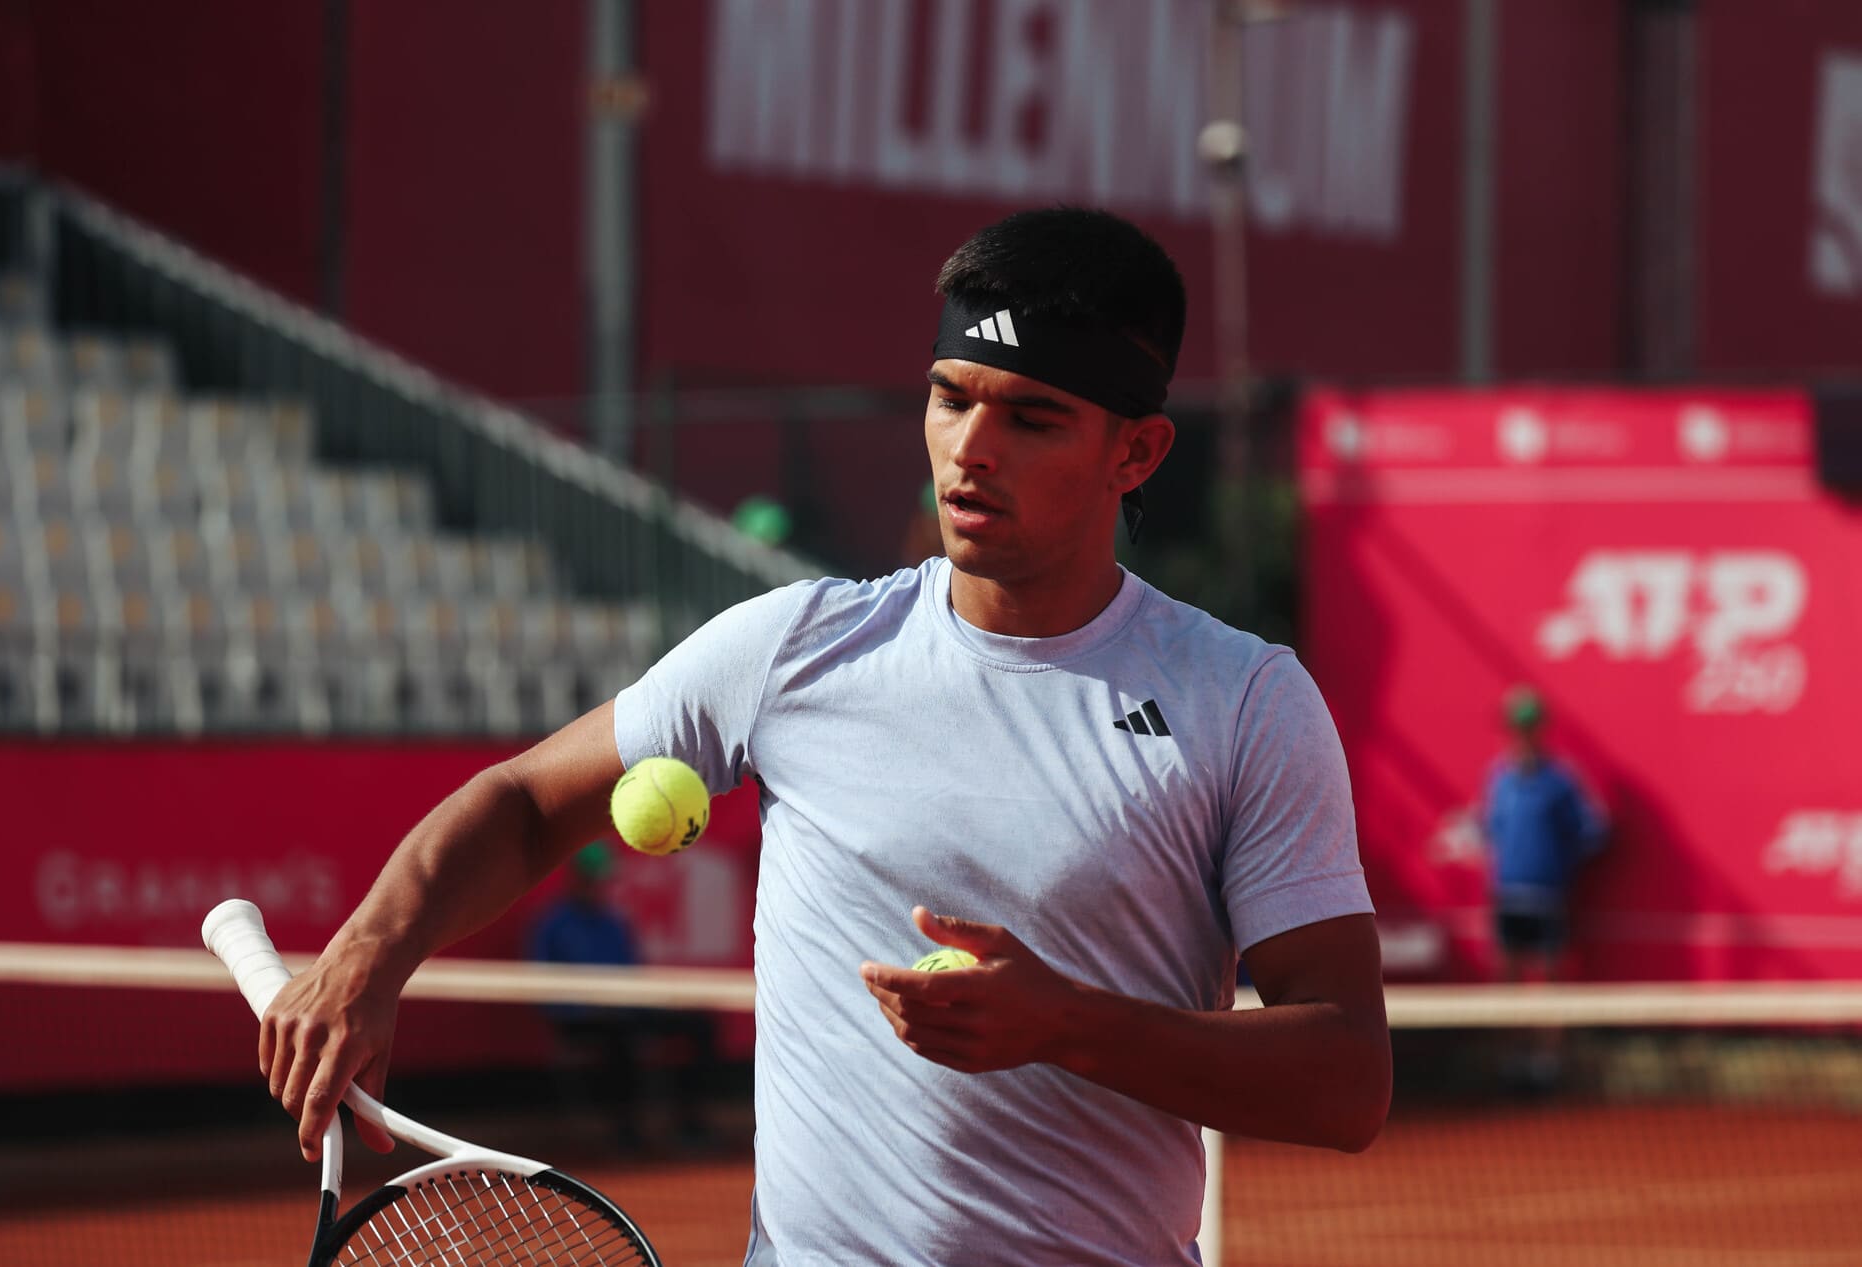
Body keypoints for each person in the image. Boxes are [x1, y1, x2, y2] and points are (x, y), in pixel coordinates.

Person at [254, 207, 1391, 1265]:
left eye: (1032, 416)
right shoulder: (795, 644)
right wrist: (364, 958)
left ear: (1134, 455)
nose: (970, 447)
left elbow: (1344, 1079)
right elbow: (524, 800)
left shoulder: (1244, 699)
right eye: (952, 397)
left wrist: (1068, 1024)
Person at [527, 841, 719, 1152]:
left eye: (603, 879)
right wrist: (582, 1008)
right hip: (581, 1020)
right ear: (578, 879)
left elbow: (633, 976)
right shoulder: (552, 925)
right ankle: (626, 1131)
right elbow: (542, 987)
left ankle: (691, 1123)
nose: (599, 886)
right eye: (593, 879)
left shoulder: (615, 922)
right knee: (619, 1038)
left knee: (699, 1025)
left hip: (629, 1011)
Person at [1481, 685, 1608, 1090]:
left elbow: (1593, 830)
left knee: (1551, 977)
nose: (1523, 734)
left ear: (1541, 729)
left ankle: (1548, 1062)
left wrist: (1559, 861)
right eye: (1517, 727)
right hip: (1508, 896)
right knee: (1508, 976)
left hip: (1548, 897)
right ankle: (1512, 1061)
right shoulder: (1499, 778)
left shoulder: (1561, 782)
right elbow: (1491, 829)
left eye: (1530, 726)